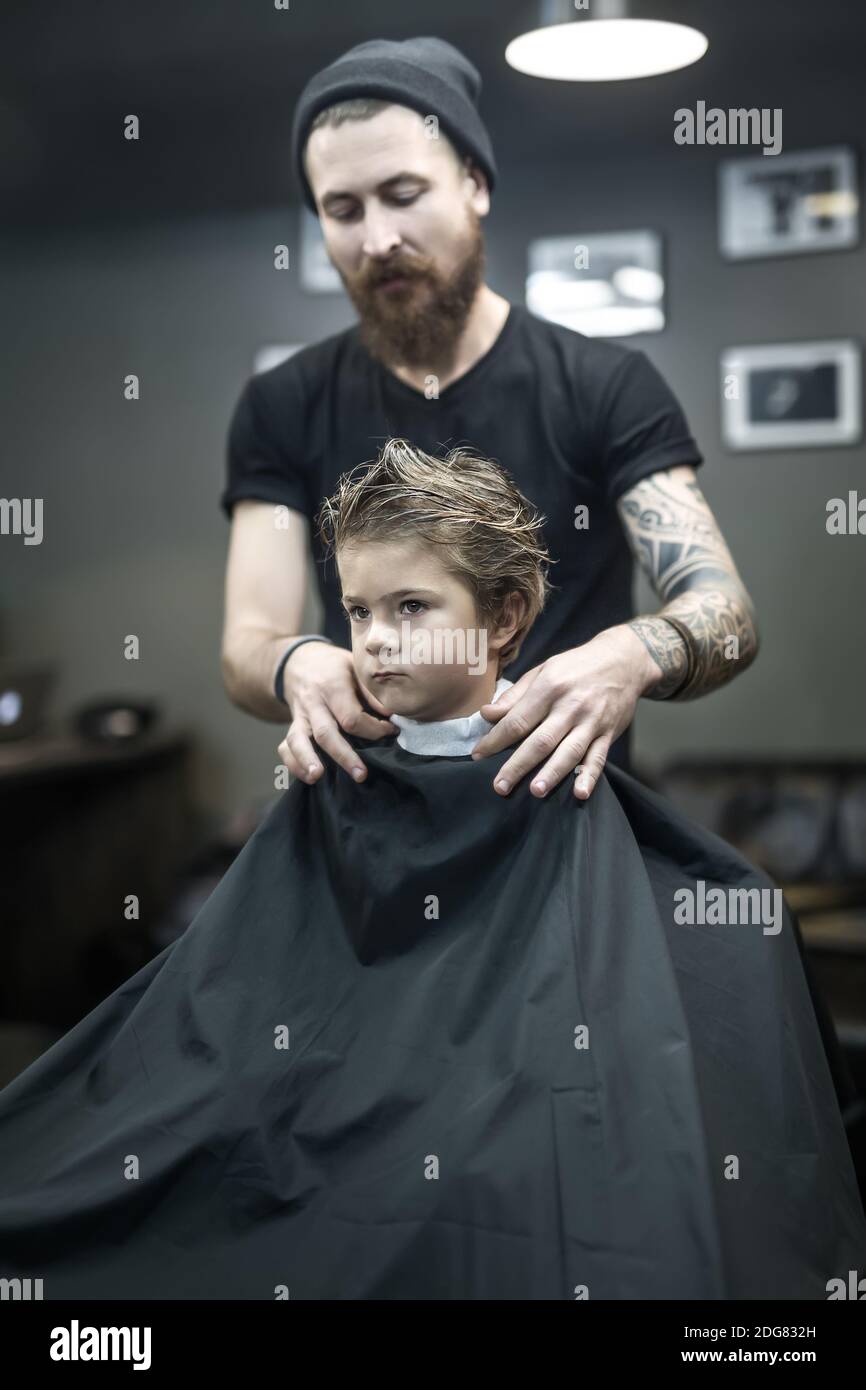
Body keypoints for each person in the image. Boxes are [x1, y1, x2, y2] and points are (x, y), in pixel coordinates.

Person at [1, 439, 864, 1300]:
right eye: (358, 611)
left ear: (504, 618)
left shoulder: (557, 781)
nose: (375, 642)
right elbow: (240, 994)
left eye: (412, 607)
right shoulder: (332, 773)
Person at [220, 36, 858, 1124]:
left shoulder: (602, 385)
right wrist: (298, 663)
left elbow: (721, 609)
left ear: (473, 183)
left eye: (404, 192)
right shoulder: (284, 407)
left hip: (560, 850)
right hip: (372, 857)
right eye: (340, 209)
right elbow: (247, 635)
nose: (376, 237)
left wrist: (632, 651)